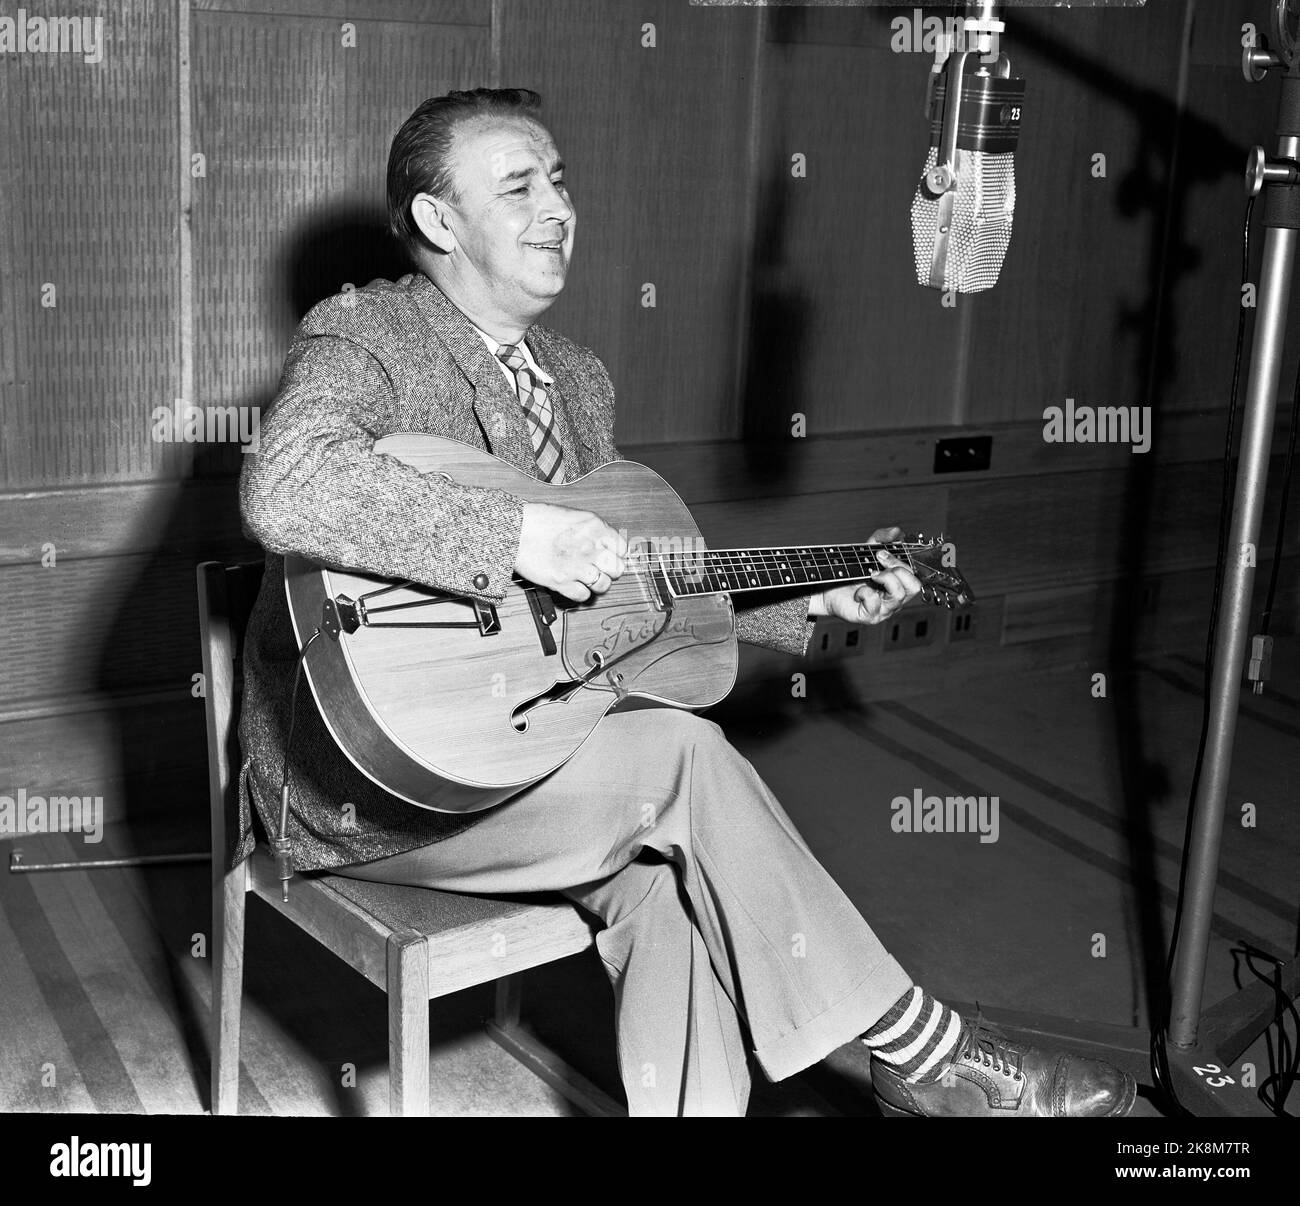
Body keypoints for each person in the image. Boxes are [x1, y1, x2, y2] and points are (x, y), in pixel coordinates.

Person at [236, 87, 1136, 1117]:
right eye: (520, 185)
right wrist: (517, 535)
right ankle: (921, 1050)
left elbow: (626, 599)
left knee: (679, 886)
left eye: (562, 179)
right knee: (680, 757)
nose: (559, 207)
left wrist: (813, 598)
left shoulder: (576, 377)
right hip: (373, 782)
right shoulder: (369, 333)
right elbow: (286, 485)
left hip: (530, 759)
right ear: (438, 221)